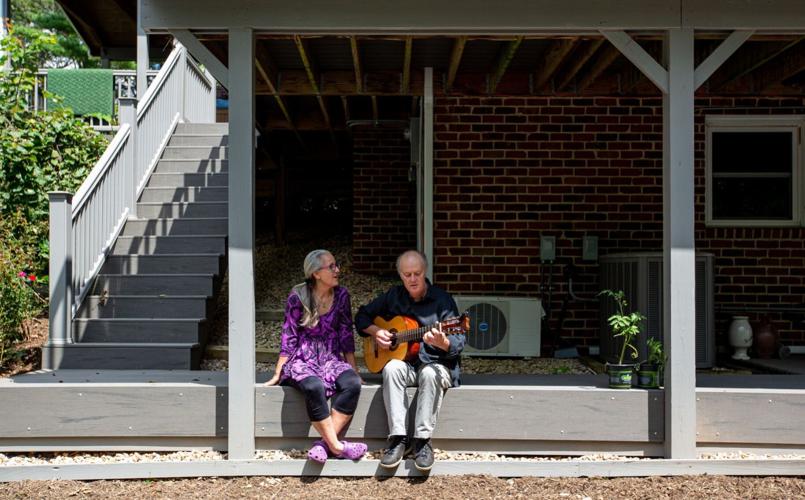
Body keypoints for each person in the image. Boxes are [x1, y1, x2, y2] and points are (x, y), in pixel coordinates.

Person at [355, 250, 465, 472]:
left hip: (435, 365)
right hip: (406, 366)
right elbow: (361, 317)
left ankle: (422, 442)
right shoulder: (393, 296)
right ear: (400, 275)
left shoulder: (443, 301)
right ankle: (398, 439)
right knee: (392, 367)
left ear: (425, 272)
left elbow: (458, 342)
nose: (413, 279)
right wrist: (377, 332)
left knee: (428, 373)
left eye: (417, 273)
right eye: (407, 275)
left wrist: (443, 342)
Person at [265, 249, 367, 463]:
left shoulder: (342, 295)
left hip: (331, 357)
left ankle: (325, 445)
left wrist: (354, 369)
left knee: (352, 384)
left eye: (336, 265)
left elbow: (346, 334)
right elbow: (289, 335)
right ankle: (338, 446)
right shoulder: (298, 296)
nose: (337, 270)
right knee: (314, 387)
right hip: (303, 358)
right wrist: (278, 372)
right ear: (316, 274)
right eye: (331, 267)